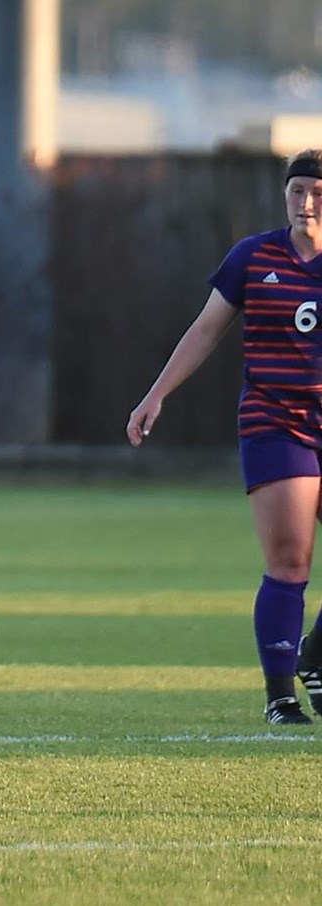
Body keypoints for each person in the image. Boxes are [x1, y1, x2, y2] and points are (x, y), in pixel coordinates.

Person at [127, 148, 322, 725]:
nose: (306, 203)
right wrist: (156, 393)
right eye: (297, 192)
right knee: (290, 560)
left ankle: (315, 655)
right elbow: (207, 329)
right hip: (276, 422)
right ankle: (281, 696)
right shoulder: (253, 256)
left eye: (317, 192)